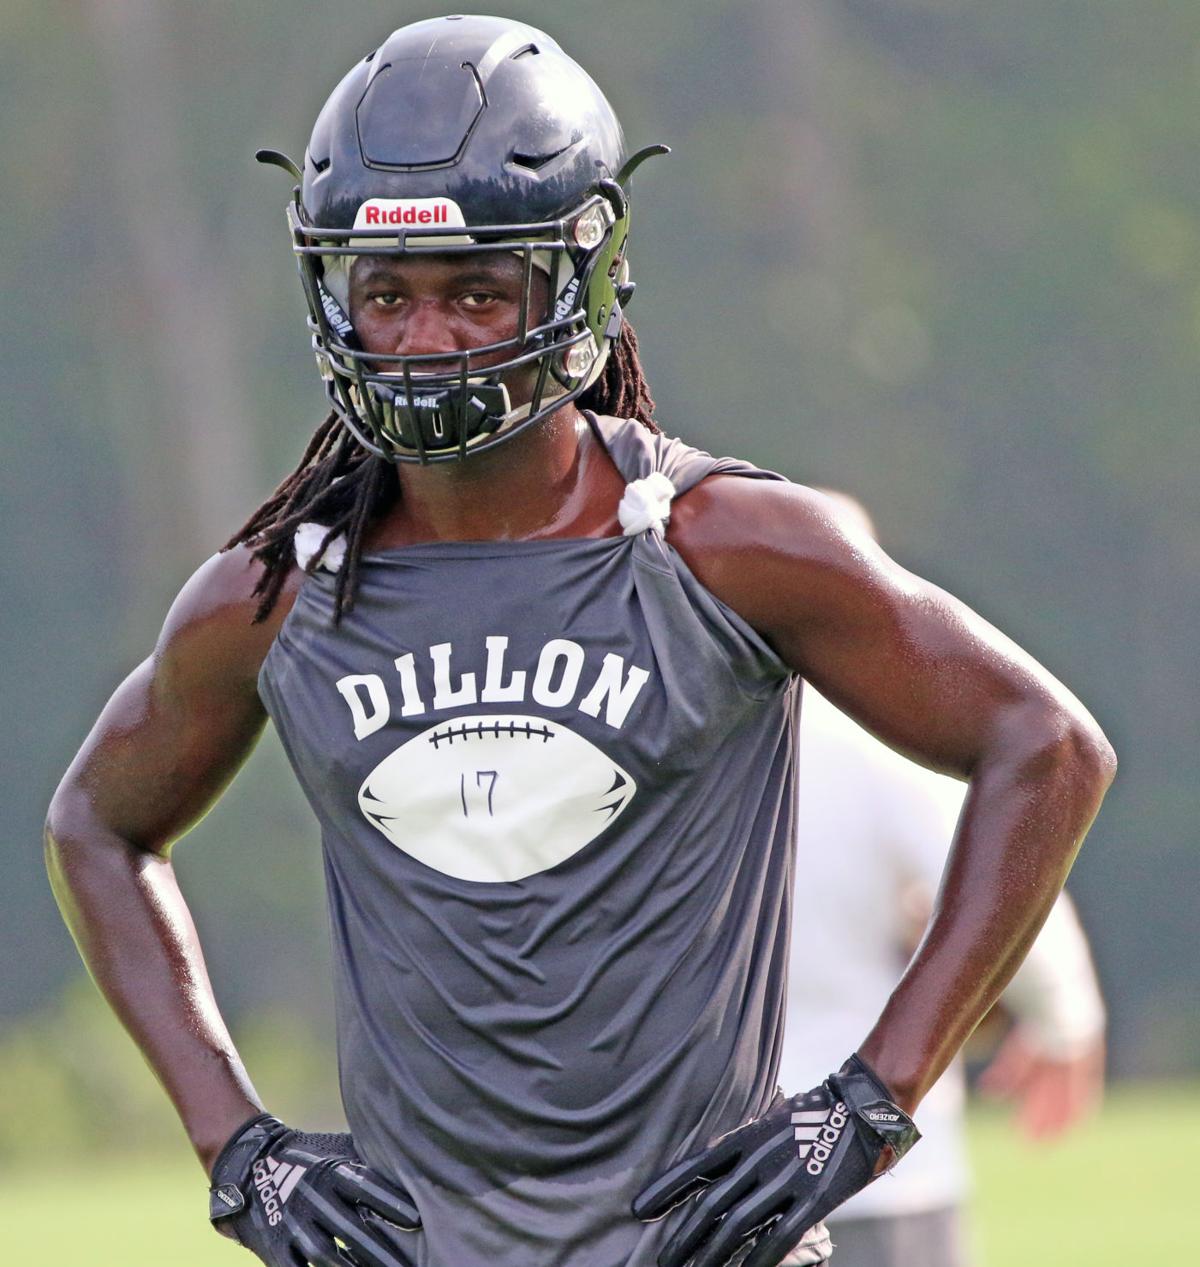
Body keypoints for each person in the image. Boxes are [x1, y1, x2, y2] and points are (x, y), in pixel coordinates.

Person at [44, 15, 1115, 1267]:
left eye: (477, 290)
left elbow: (1045, 744)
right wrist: (237, 1147)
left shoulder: (721, 542)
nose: (424, 339)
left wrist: (872, 1101)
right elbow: (97, 825)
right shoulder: (279, 590)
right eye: (385, 293)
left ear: (581, 279)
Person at [785, 683, 1106, 1267]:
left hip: (691, 1178)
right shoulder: (862, 735)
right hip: (874, 1168)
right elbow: (1007, 872)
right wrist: (1066, 1022)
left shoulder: (632, 725)